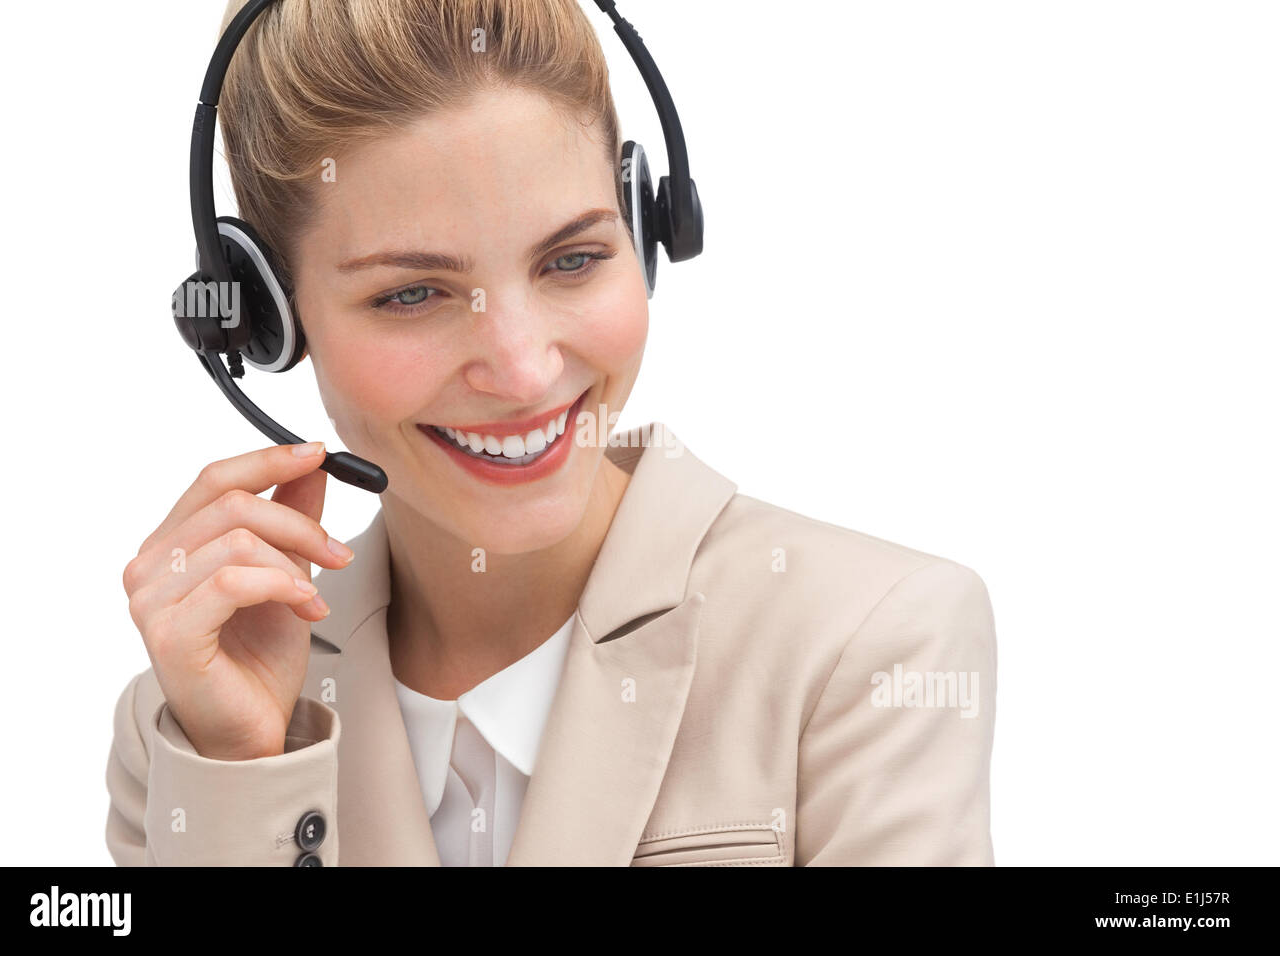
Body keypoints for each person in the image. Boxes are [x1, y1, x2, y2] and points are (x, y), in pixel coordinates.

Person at [107, 0, 998, 866]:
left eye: (573, 259)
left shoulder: (870, 643)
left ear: (647, 234)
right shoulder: (189, 723)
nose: (524, 369)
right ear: (268, 321)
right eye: (412, 294)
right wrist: (241, 780)